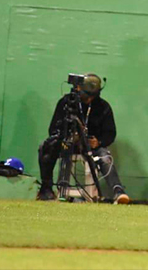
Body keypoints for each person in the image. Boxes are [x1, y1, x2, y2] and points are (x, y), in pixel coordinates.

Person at [36, 74, 130, 204]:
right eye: (87, 95)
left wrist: (99, 142)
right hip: (68, 143)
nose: (90, 99)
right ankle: (46, 189)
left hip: (93, 147)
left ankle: (118, 191)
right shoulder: (66, 103)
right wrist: (67, 136)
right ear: (79, 88)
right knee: (45, 147)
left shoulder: (103, 107)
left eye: (94, 95)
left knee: (105, 158)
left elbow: (110, 133)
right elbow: (53, 129)